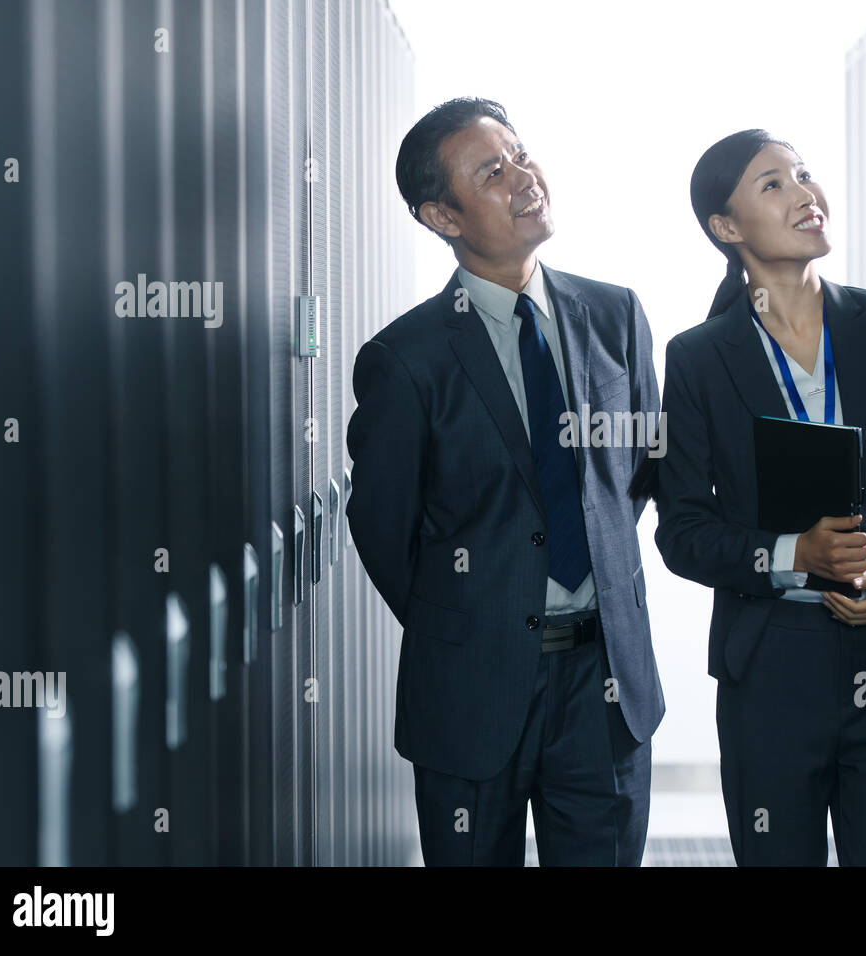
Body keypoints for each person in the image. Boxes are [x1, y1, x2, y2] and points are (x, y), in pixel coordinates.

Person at [346, 97, 663, 866]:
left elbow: (647, 469)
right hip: (470, 690)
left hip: (605, 685)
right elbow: (384, 532)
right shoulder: (407, 358)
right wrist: (470, 621)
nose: (525, 176)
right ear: (441, 216)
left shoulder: (614, 315)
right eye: (493, 170)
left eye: (521, 155)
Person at [642, 129, 866, 865]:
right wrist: (796, 554)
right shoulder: (697, 357)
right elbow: (683, 529)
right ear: (726, 229)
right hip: (772, 666)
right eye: (774, 184)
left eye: (805, 175)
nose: (805, 194)